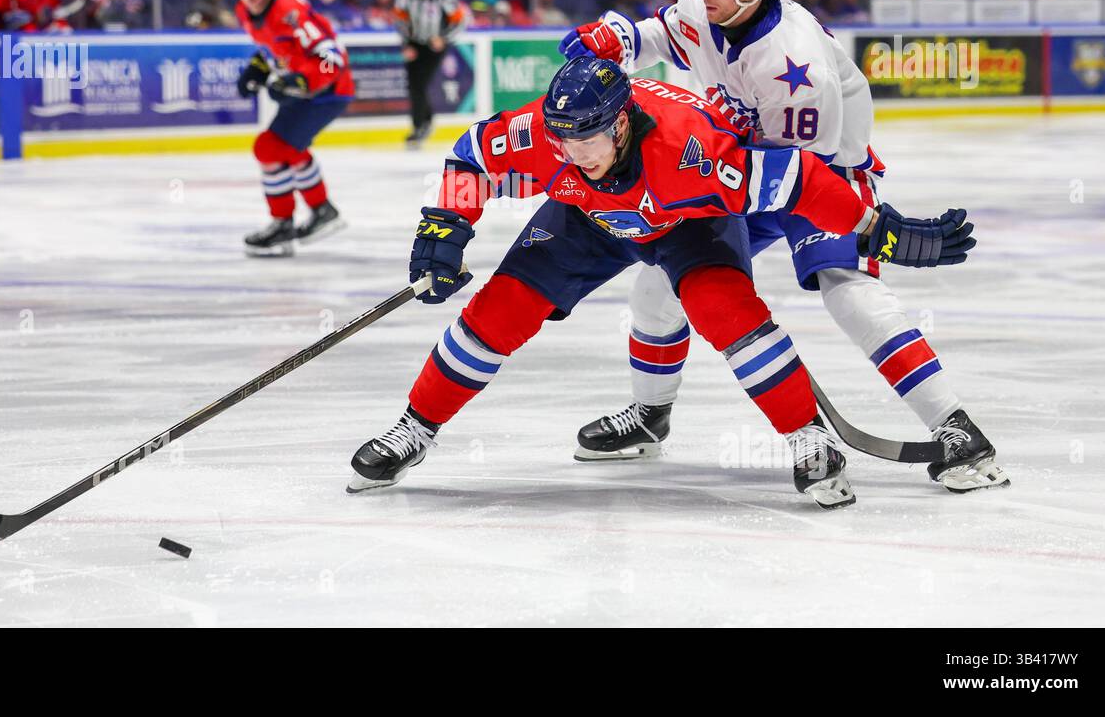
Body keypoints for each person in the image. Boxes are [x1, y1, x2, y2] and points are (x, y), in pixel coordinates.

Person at [348, 56, 976, 507]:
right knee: (500, 309)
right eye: (563, 139)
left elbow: (801, 180)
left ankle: (806, 436)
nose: (573, 153)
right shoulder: (547, 135)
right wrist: (444, 227)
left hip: (688, 221)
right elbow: (470, 158)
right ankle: (415, 429)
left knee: (724, 311)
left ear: (621, 122)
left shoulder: (692, 151)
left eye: (587, 138)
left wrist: (874, 229)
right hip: (587, 218)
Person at [560, 0, 1009, 492]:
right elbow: (664, 35)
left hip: (820, 172)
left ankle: (957, 429)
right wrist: (617, 40)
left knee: (847, 290)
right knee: (657, 285)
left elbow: (796, 175)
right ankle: (651, 415)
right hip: (738, 168)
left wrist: (708, 147)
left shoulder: (794, 64)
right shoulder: (704, 5)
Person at [230, 0, 355, 256]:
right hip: (308, 92)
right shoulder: (244, 12)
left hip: (328, 91)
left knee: (270, 147)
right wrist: (259, 67)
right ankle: (320, 211)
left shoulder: (289, 11)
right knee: (281, 149)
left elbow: (332, 58)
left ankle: (287, 222)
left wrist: (302, 81)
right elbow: (277, 50)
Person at [392, 0, 468, 147]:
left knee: (419, 83)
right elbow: (399, 20)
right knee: (413, 85)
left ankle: (420, 126)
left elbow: (460, 21)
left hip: (435, 46)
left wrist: (443, 38)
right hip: (414, 44)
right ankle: (424, 122)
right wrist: (406, 43)